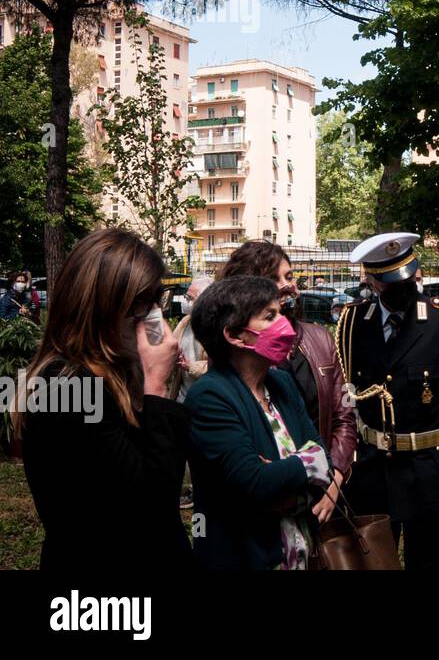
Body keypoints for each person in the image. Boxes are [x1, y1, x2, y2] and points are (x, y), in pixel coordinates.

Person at [19, 229, 192, 570]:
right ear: (100, 307)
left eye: (159, 297)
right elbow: (150, 507)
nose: (155, 315)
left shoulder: (112, 376)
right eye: (143, 301)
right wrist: (156, 388)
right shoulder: (67, 388)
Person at [337, 232, 439, 569]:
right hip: (372, 469)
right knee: (372, 558)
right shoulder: (353, 322)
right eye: (391, 283)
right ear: (371, 280)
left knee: (426, 560)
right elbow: (348, 393)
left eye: (408, 279)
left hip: (428, 468)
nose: (404, 290)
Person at [187, 276, 332, 569]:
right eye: (270, 316)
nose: (283, 322)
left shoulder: (281, 383)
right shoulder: (210, 396)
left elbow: (324, 460)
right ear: (236, 336)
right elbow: (256, 483)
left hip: (299, 556)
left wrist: (288, 479)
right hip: (244, 558)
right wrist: (306, 464)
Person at [219, 241, 354, 523]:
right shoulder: (236, 355)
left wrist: (335, 477)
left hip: (325, 496)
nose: (287, 286)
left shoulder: (321, 339)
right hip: (271, 504)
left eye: (289, 277)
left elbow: (344, 417)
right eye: (274, 279)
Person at [172, 276, 214, 404]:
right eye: (186, 297)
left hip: (205, 400)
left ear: (204, 300)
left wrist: (191, 367)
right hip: (181, 398)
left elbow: (220, 366)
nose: (186, 301)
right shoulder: (185, 322)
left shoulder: (215, 327)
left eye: (190, 298)